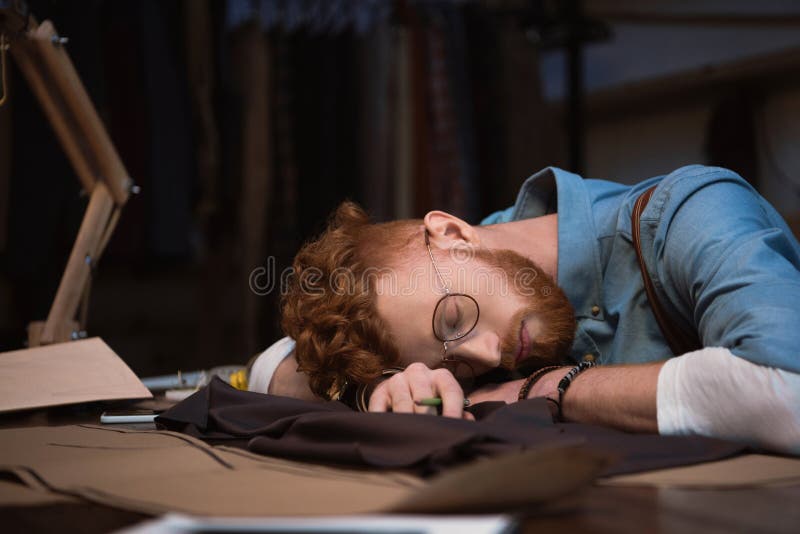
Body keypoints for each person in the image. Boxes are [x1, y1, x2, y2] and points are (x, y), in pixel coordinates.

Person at [250, 165, 800, 454]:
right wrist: (381, 386)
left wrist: (552, 388)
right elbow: (269, 367)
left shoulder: (693, 214)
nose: (488, 356)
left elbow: (787, 393)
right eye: (455, 364)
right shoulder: (478, 267)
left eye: (454, 319)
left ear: (453, 233)